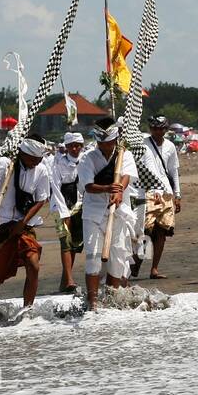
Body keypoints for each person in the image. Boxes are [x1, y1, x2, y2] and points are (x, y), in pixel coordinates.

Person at [0, 135, 53, 310]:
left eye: (40, 159)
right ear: (25, 154)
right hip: (1, 223)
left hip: (24, 224)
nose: (37, 162)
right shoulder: (5, 164)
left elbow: (41, 200)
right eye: (35, 159)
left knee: (33, 264)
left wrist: (24, 222)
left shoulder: (41, 170)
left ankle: (27, 310)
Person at [77, 118, 139, 308]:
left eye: (108, 141)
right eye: (101, 141)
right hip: (93, 214)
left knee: (117, 258)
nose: (104, 145)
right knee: (94, 258)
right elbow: (88, 186)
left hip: (118, 212)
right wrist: (107, 188)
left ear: (115, 140)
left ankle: (112, 301)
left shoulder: (124, 155)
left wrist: (119, 191)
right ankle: (93, 302)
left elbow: (126, 176)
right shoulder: (88, 157)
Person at [138, 115, 182, 280]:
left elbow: (173, 171)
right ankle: (138, 259)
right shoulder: (143, 145)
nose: (158, 131)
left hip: (166, 192)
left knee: (162, 232)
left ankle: (154, 268)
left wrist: (177, 194)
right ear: (150, 129)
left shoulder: (170, 146)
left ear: (166, 129)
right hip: (148, 191)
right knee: (145, 229)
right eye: (155, 128)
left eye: (161, 128)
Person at [50, 131, 86, 294]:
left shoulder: (86, 161)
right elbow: (56, 189)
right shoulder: (58, 164)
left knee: (75, 243)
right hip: (61, 206)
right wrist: (64, 213)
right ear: (67, 147)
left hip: (80, 204)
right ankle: (70, 280)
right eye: (71, 146)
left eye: (77, 146)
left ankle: (65, 281)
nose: (75, 149)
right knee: (65, 241)